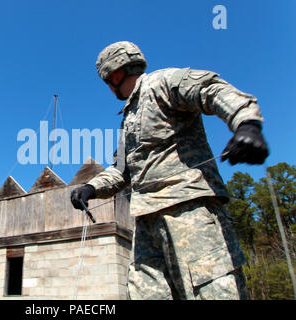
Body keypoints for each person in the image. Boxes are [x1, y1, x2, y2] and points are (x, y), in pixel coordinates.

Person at [70, 41, 269, 300]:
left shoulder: (163, 83)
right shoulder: (127, 121)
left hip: (189, 212)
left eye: (106, 81)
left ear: (115, 75)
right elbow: (121, 169)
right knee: (146, 293)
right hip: (145, 222)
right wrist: (91, 188)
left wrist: (247, 124)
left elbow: (209, 89)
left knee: (211, 290)